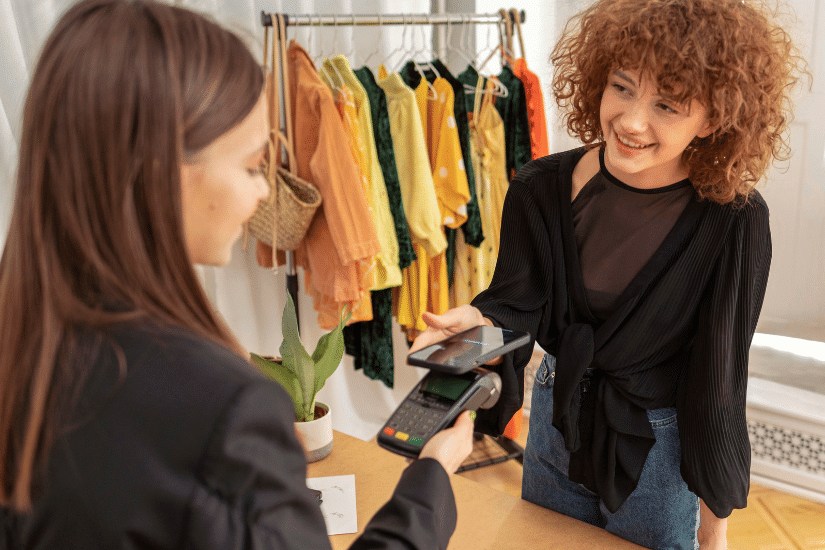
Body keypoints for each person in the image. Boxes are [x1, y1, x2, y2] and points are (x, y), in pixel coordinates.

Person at [0, 1, 474, 548]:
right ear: (160, 171)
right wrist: (431, 480)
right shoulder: (221, 407)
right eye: (251, 166)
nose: (265, 190)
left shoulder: (27, 352)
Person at [409, 0, 806, 548]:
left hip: (659, 446)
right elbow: (517, 303)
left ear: (712, 118)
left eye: (668, 105)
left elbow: (718, 381)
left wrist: (713, 534)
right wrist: (474, 318)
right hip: (554, 416)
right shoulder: (538, 187)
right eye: (622, 87)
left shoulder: (733, 220)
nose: (632, 121)